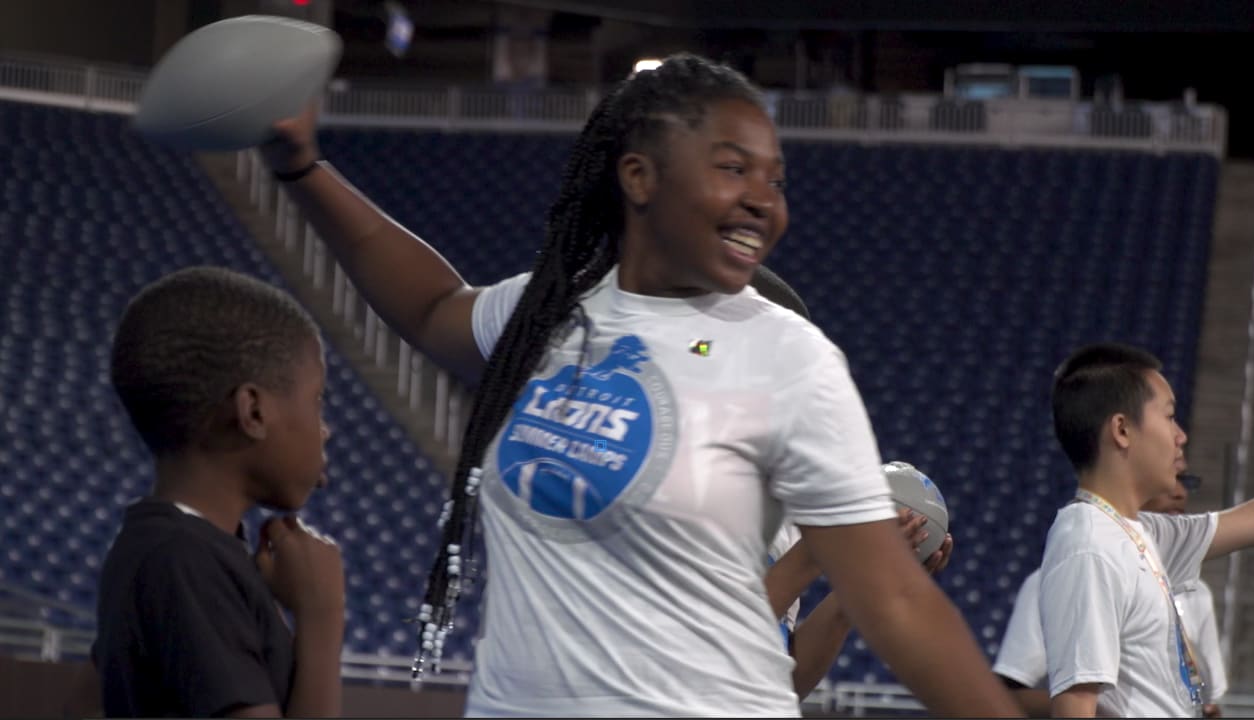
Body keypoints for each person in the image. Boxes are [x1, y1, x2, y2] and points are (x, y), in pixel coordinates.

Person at [260, 53, 1020, 717]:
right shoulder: (552, 312)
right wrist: (300, 166)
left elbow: (897, 601)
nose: (764, 197)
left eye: (775, 180)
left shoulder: (790, 356)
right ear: (639, 176)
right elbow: (429, 306)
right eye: (733, 168)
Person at [93, 267, 345, 718]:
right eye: (317, 400)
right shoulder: (184, 562)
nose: (325, 429)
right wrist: (322, 619)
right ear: (253, 412)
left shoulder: (175, 550)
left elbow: (82, 705)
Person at [1040, 342, 1254, 718]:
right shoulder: (1088, 543)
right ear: (1121, 429)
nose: (1181, 435)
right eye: (1169, 417)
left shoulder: (1140, 532)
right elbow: (1075, 706)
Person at [750, 266, 954, 698]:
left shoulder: (785, 508)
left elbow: (787, 682)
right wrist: (835, 542)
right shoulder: (688, 487)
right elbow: (708, 636)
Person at [993, 474, 1228, 718]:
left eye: (1184, 481)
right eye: (1169, 477)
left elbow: (1209, 703)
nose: (1179, 492)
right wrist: (1102, 710)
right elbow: (1009, 694)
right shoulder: (1061, 573)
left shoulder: (1198, 593)